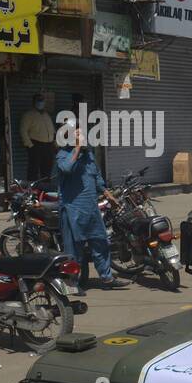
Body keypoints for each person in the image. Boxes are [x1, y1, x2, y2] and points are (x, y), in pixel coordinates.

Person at [55, 119, 127, 289]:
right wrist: (77, 148)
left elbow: (96, 177)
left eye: (82, 133)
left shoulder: (89, 155)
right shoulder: (62, 154)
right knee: (74, 250)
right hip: (72, 210)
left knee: (101, 242)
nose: (82, 136)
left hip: (91, 208)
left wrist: (108, 194)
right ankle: (73, 283)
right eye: (77, 133)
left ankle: (107, 278)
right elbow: (66, 168)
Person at [20, 94, 57, 183]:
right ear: (33, 102)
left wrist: (55, 143)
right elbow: (23, 130)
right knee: (33, 170)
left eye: (42, 100)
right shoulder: (29, 115)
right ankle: (32, 191)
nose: (40, 103)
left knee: (47, 170)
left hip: (48, 145)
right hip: (36, 145)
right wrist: (30, 145)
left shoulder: (46, 115)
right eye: (38, 100)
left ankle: (45, 191)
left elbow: (52, 130)